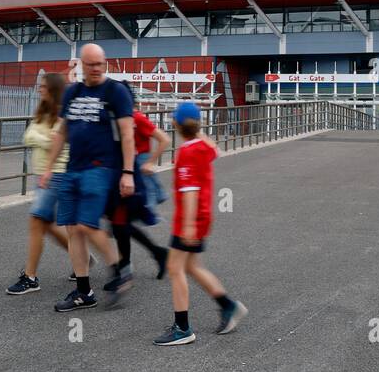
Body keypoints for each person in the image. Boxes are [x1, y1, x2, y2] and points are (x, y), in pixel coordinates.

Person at [39, 43, 136, 310]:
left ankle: (119, 270)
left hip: (100, 167)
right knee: (73, 230)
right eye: (90, 64)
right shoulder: (74, 92)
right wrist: (49, 167)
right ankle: (84, 291)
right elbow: (62, 132)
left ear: (105, 63)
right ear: (81, 65)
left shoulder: (116, 91)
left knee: (86, 224)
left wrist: (128, 172)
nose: (95, 69)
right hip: (72, 168)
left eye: (100, 64)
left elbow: (128, 134)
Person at [154, 100, 247, 347]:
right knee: (192, 267)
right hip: (203, 216)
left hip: (189, 219)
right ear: (199, 125)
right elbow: (213, 147)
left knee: (175, 269)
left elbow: (191, 191)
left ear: (174, 124)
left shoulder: (186, 152)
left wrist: (188, 228)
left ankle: (182, 328)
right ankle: (228, 306)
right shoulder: (204, 146)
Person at [6, 74, 73, 294]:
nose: (39, 90)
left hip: (56, 173)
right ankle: (82, 258)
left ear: (53, 89)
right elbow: (28, 137)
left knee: (37, 221)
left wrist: (43, 139)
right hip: (42, 174)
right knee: (47, 225)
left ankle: (30, 276)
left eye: (43, 87)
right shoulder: (43, 111)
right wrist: (46, 140)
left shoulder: (63, 113)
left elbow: (59, 143)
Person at [106, 102, 170, 294]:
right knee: (121, 224)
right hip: (125, 170)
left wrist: (150, 162)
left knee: (121, 223)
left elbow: (164, 139)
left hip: (136, 172)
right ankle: (155, 254)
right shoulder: (118, 119)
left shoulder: (137, 118)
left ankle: (124, 270)